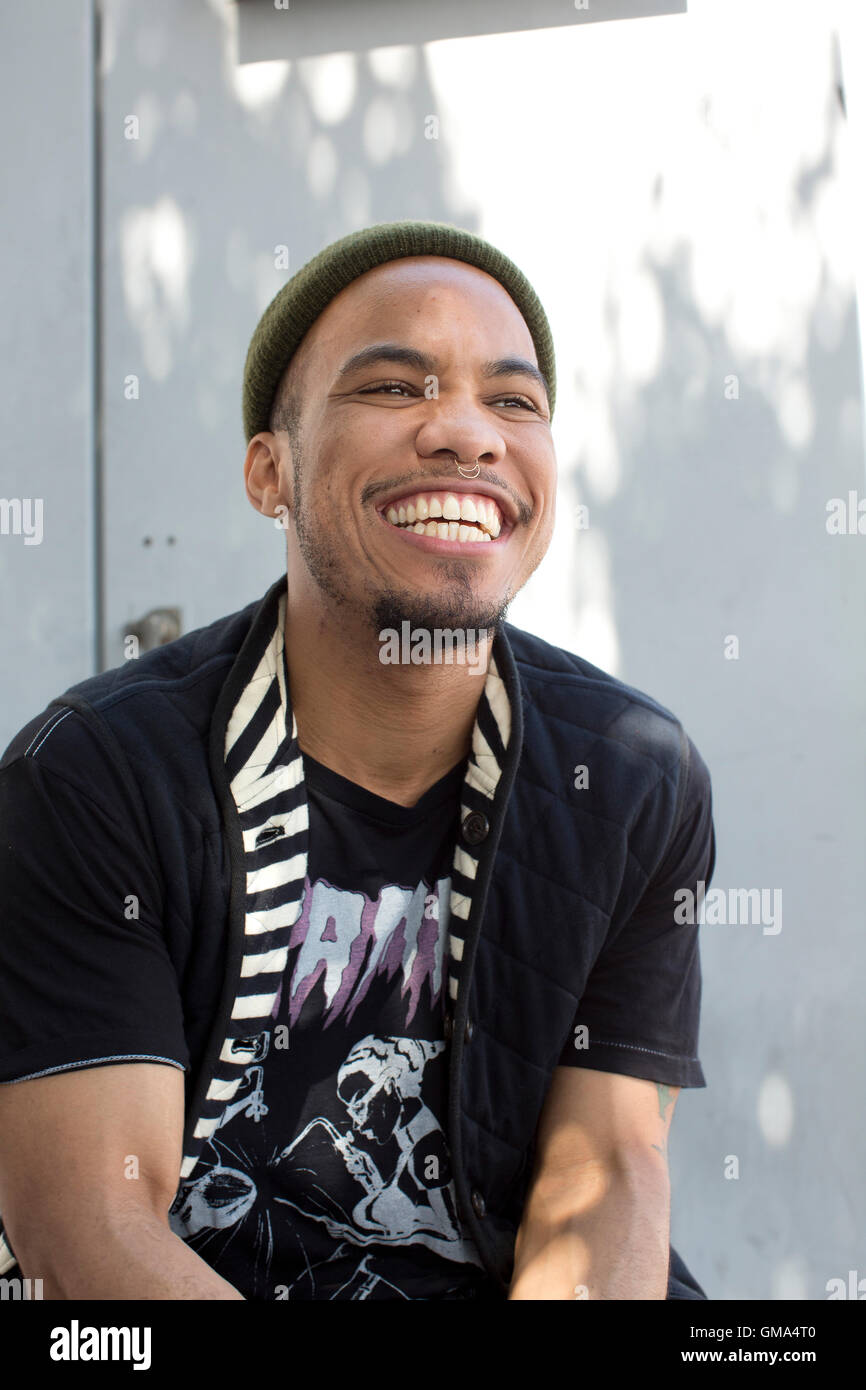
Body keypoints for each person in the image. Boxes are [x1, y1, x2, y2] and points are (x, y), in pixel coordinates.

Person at [0, 220, 715, 1301]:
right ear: (268, 471)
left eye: (512, 401)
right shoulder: (96, 776)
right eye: (392, 387)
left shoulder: (629, 778)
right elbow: (88, 1231)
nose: (467, 434)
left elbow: (605, 1167)